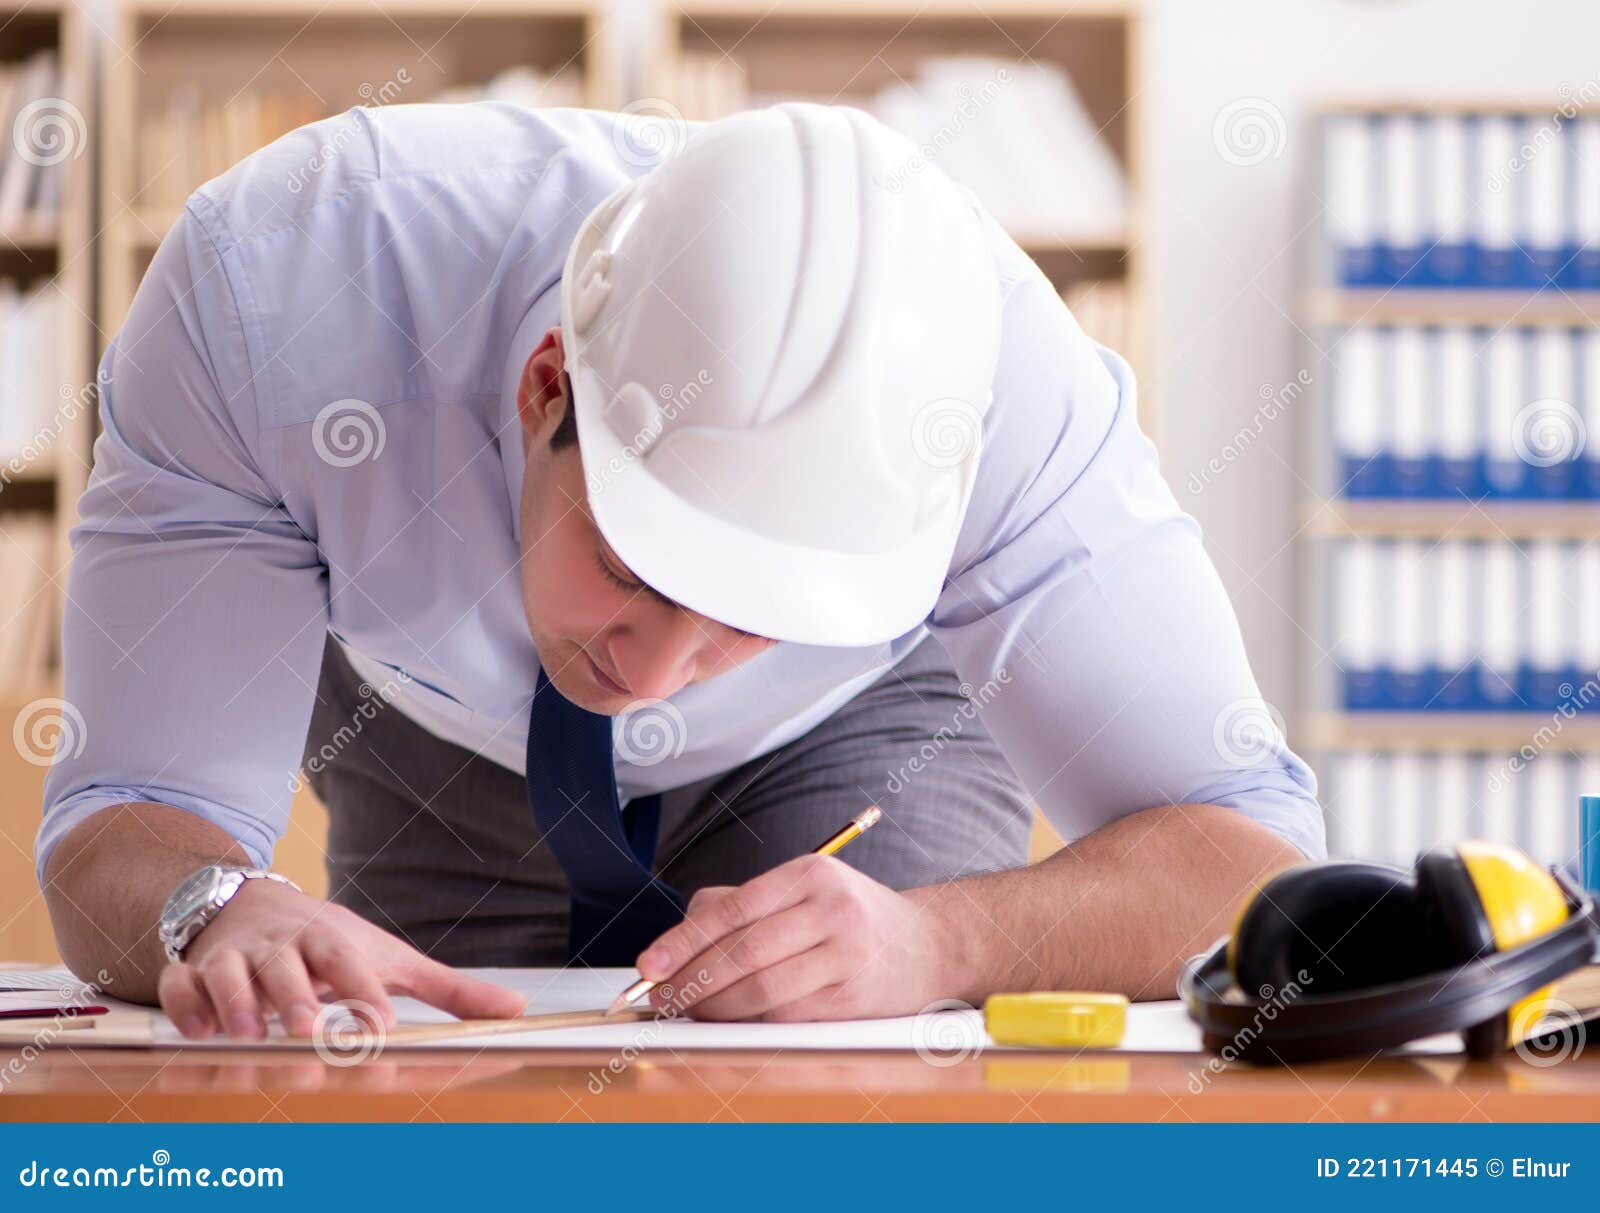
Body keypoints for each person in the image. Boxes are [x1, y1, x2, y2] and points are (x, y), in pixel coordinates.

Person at [37, 100, 1322, 1040]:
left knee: (839, 1117)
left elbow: (1246, 856)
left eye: (749, 615)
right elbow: (125, 814)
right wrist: (209, 906)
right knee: (434, 1111)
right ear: (549, 383)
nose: (654, 670)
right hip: (423, 725)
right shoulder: (274, 293)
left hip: (850, 739)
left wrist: (944, 940)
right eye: (629, 562)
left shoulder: (1011, 403)